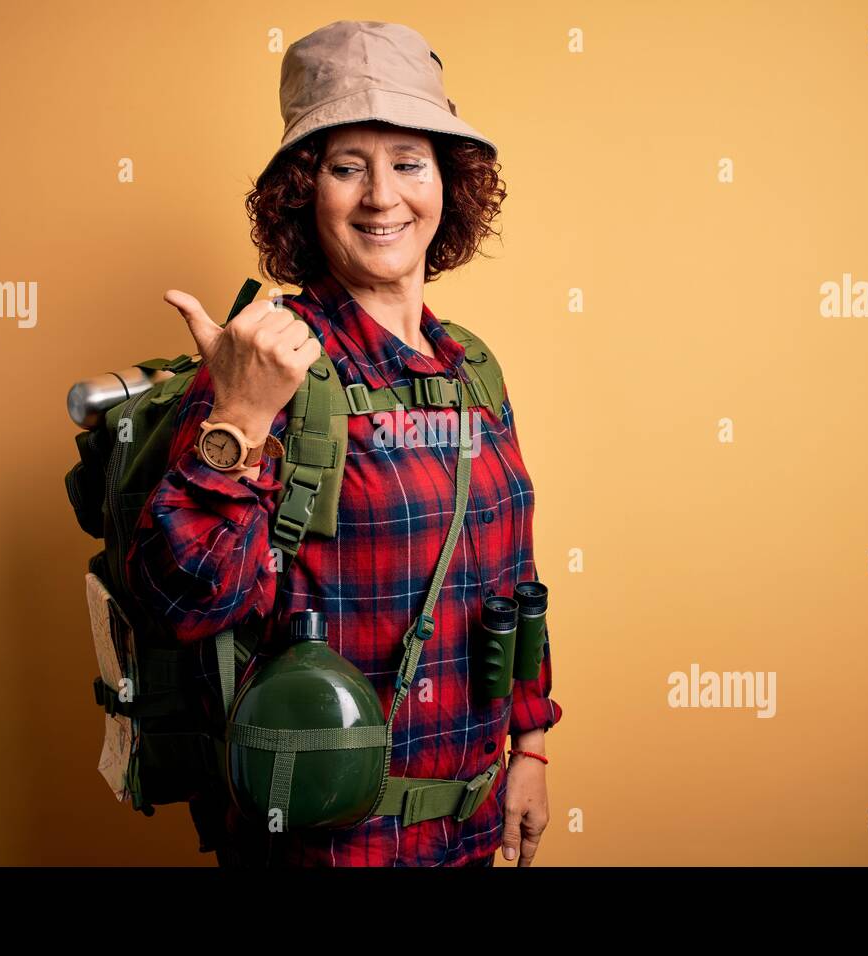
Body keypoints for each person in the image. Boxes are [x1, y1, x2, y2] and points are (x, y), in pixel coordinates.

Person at [127, 20, 561, 867]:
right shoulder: (274, 360)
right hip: (324, 843)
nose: (381, 197)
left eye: (407, 161)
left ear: (447, 182)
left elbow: (515, 579)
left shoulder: (472, 365)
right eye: (345, 166)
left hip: (469, 829)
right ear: (303, 191)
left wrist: (531, 748)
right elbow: (176, 600)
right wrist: (243, 416)